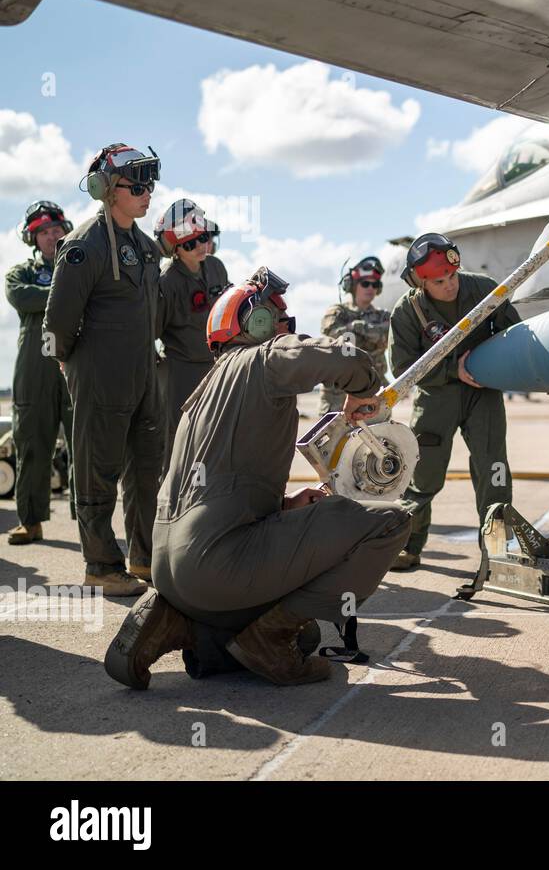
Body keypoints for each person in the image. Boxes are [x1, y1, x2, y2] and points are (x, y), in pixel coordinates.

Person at [103, 268, 411, 689]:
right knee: (390, 523)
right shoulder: (264, 359)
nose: (288, 327)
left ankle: (175, 620)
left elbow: (217, 486)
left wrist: (285, 507)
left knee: (306, 635)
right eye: (280, 318)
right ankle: (269, 638)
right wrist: (362, 388)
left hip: (168, 564)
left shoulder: (202, 392)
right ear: (258, 323)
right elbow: (345, 358)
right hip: (218, 562)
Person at [44, 144, 165, 596]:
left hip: (143, 375)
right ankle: (100, 565)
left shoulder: (147, 248)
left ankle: (143, 557)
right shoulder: (83, 246)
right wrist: (70, 365)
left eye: (149, 185)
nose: (147, 193)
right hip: (99, 375)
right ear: (105, 189)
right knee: (98, 472)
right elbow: (57, 321)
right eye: (137, 186)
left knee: (146, 471)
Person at [387, 233, 519, 571]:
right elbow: (402, 369)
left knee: (494, 470)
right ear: (421, 282)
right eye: (440, 281)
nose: (450, 286)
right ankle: (410, 545)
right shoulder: (407, 311)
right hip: (437, 397)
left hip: (483, 393)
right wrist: (452, 369)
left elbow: (516, 334)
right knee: (422, 475)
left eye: (452, 277)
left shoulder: (484, 289)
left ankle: (497, 550)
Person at [5, 201, 75, 545]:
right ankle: (30, 522)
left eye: (57, 230)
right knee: (31, 444)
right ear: (33, 238)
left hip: (74, 364)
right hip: (34, 368)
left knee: (85, 445)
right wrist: (64, 295)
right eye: (44, 232)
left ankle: (91, 523)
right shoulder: (22, 273)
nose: (52, 236)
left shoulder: (80, 266)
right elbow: (20, 296)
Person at [154, 199, 229, 460]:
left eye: (203, 238)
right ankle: (171, 500)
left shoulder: (216, 268)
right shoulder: (168, 281)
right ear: (176, 249)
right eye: (189, 243)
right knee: (177, 442)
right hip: (180, 372)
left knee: (215, 436)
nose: (199, 247)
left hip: (216, 368)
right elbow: (151, 331)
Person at [318, 256, 391, 415]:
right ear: (351, 285)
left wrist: (355, 327)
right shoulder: (336, 312)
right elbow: (333, 339)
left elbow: (385, 337)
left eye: (375, 284)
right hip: (337, 395)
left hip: (373, 392)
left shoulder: (384, 316)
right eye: (365, 283)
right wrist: (370, 334)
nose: (370, 288)